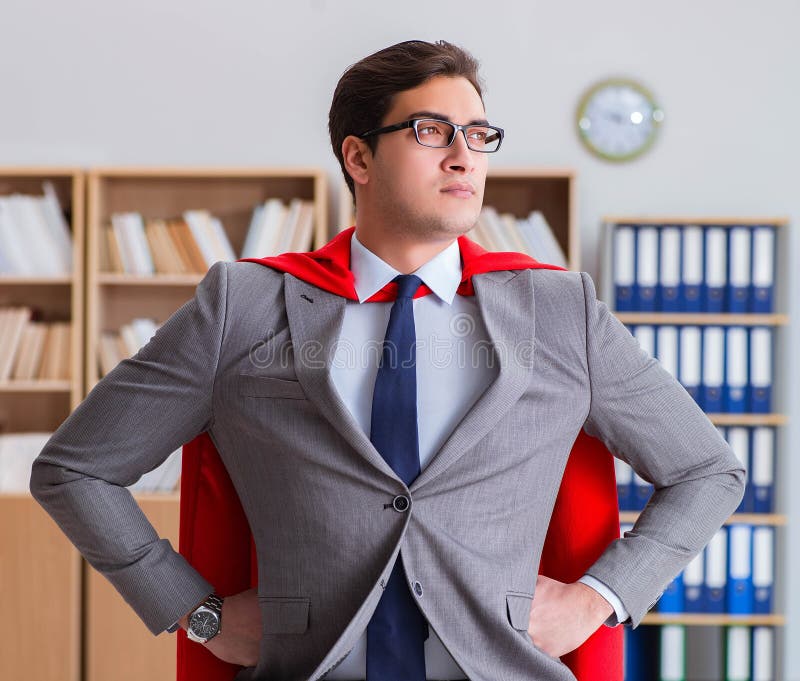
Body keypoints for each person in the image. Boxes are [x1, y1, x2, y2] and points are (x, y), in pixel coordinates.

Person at [31, 40, 744, 681]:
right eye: (432, 131)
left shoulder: (559, 312)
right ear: (359, 157)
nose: (464, 155)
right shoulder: (242, 306)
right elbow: (75, 467)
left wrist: (598, 598)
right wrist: (197, 610)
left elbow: (707, 469)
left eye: (479, 135)